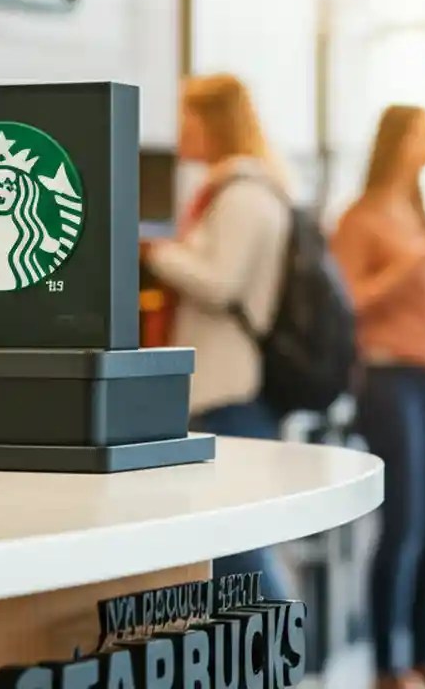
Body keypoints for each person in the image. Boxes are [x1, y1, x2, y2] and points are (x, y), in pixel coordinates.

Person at [331, 105, 425, 689]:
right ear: (398, 142)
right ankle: (387, 667)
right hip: (386, 379)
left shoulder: (419, 216)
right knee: (405, 521)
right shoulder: (361, 219)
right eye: (424, 134)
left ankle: (422, 656)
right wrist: (411, 263)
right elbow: (347, 301)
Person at [145, 73, 291, 598]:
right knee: (234, 548)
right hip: (221, 390)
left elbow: (221, 281)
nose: (179, 128)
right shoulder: (228, 191)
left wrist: (158, 253)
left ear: (214, 123)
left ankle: (284, 661)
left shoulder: (244, 196)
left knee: (238, 550)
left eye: (188, 117)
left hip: (230, 392)